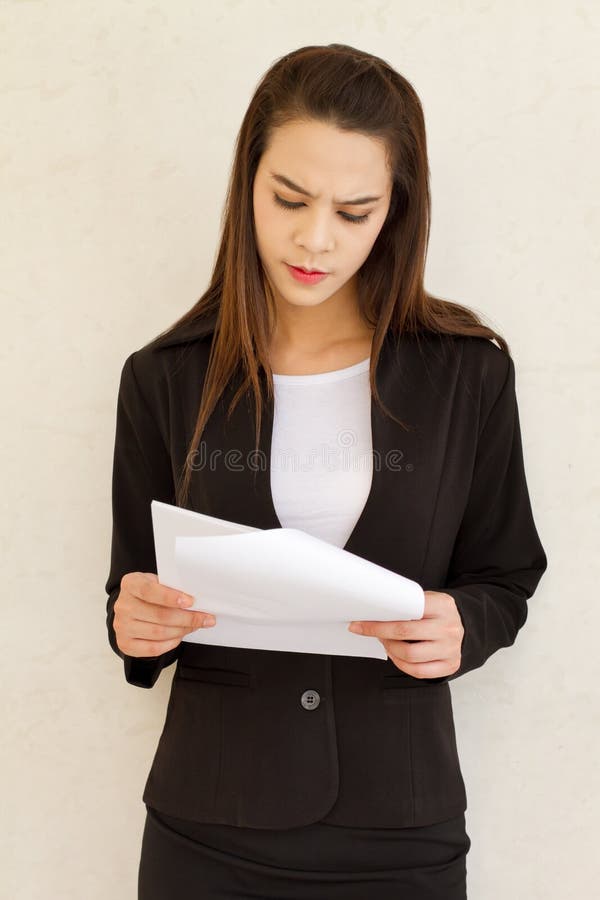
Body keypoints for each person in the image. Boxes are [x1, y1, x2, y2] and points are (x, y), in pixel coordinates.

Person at [104, 43, 548, 899]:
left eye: (355, 211)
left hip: (401, 830)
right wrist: (136, 625)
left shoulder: (466, 371)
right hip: (210, 827)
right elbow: (130, 592)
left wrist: (465, 624)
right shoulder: (164, 376)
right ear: (248, 186)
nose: (315, 239)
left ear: (397, 213)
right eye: (290, 199)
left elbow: (507, 573)